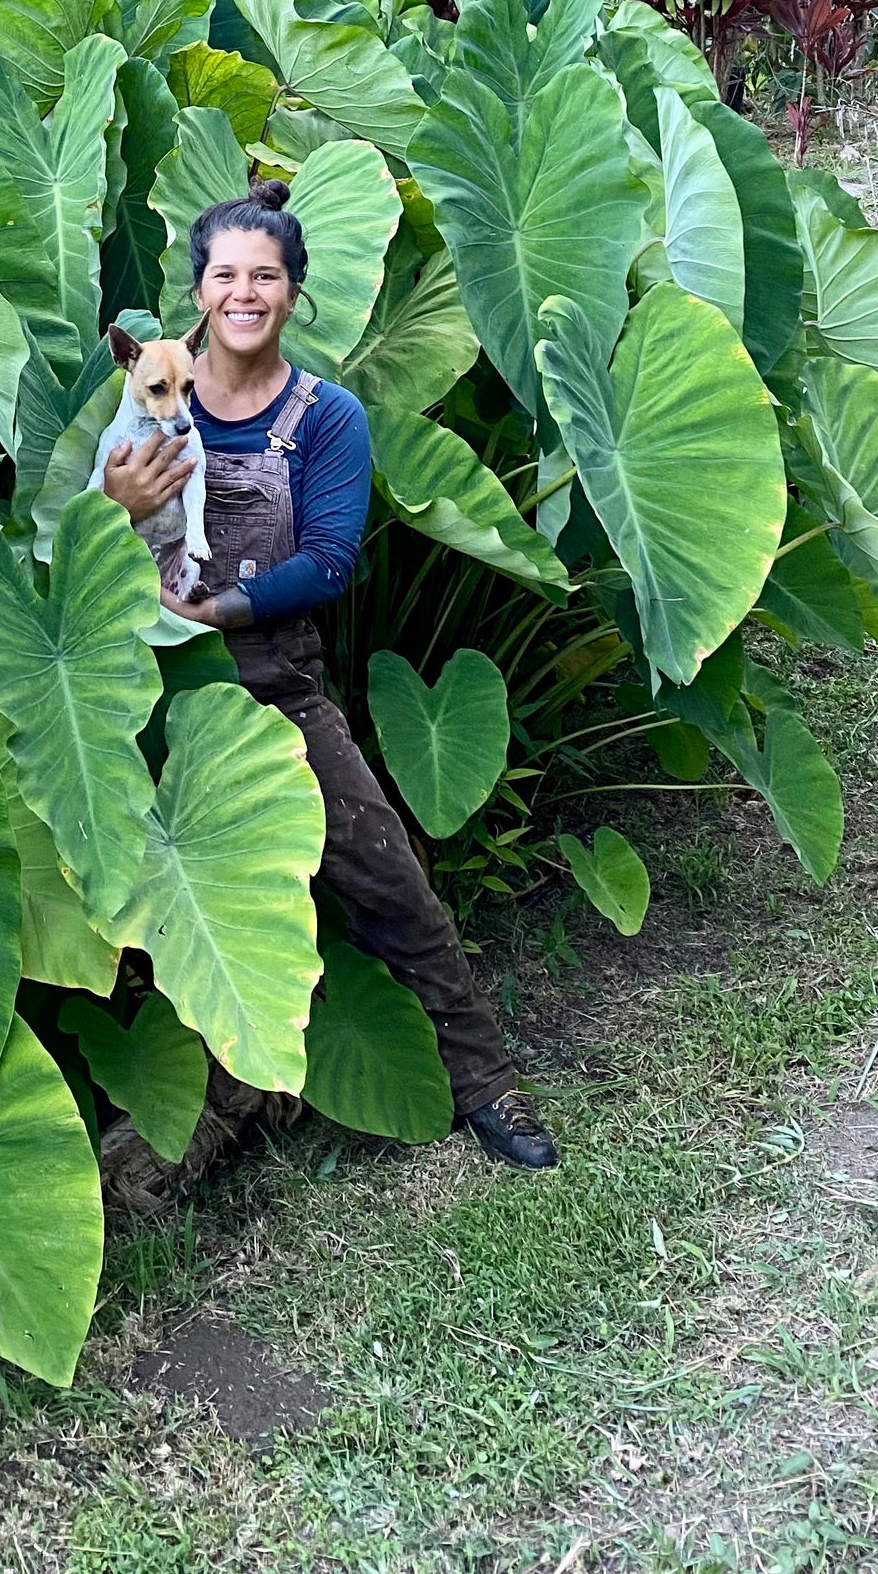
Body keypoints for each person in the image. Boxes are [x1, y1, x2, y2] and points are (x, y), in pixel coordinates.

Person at [102, 179, 558, 1169]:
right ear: (199, 289)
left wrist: (217, 608)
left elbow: (326, 560)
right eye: (224, 274)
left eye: (264, 275)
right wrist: (112, 502)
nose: (243, 293)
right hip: (136, 700)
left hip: (265, 679)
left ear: (294, 293)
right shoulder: (146, 402)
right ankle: (190, 1126)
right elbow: (83, 555)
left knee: (386, 873)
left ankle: (482, 1078)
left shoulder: (324, 417)